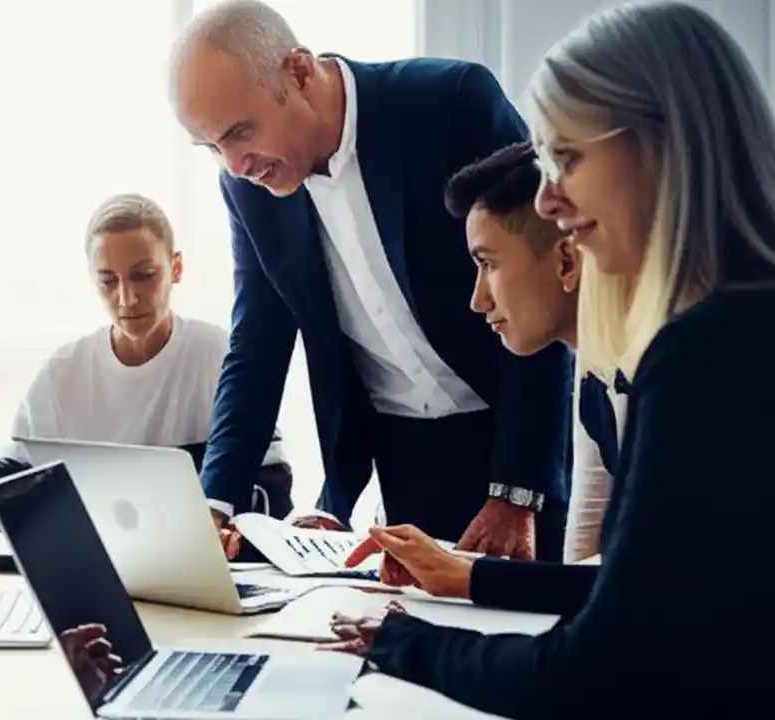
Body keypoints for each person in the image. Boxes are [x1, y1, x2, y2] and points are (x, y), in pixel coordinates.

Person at [322, 3, 775, 716]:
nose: (549, 198)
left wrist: (405, 644)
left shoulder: (706, 350)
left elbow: (597, 667)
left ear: (662, 139)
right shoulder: (738, 325)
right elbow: (636, 593)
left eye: (566, 157)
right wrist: (474, 579)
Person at [169, 0, 573, 562]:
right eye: (211, 147)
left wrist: (518, 491)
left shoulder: (452, 103)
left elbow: (545, 283)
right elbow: (256, 344)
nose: (234, 164)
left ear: (300, 72)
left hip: (516, 443)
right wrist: (216, 506)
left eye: (240, 132)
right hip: (401, 461)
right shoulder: (246, 189)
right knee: (410, 640)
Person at [0, 193, 290, 548]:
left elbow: (271, 487)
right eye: (108, 281)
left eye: (144, 275)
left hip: (208, 565)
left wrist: (231, 527)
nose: (127, 298)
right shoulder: (63, 373)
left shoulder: (223, 358)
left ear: (176, 268)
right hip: (95, 563)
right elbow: (14, 474)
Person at [344, 142, 621, 615]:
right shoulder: (594, 373)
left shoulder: (657, 373)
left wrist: (465, 582)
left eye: (487, 264)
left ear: (567, 262)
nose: (477, 300)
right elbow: (591, 581)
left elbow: (638, 592)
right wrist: (457, 574)